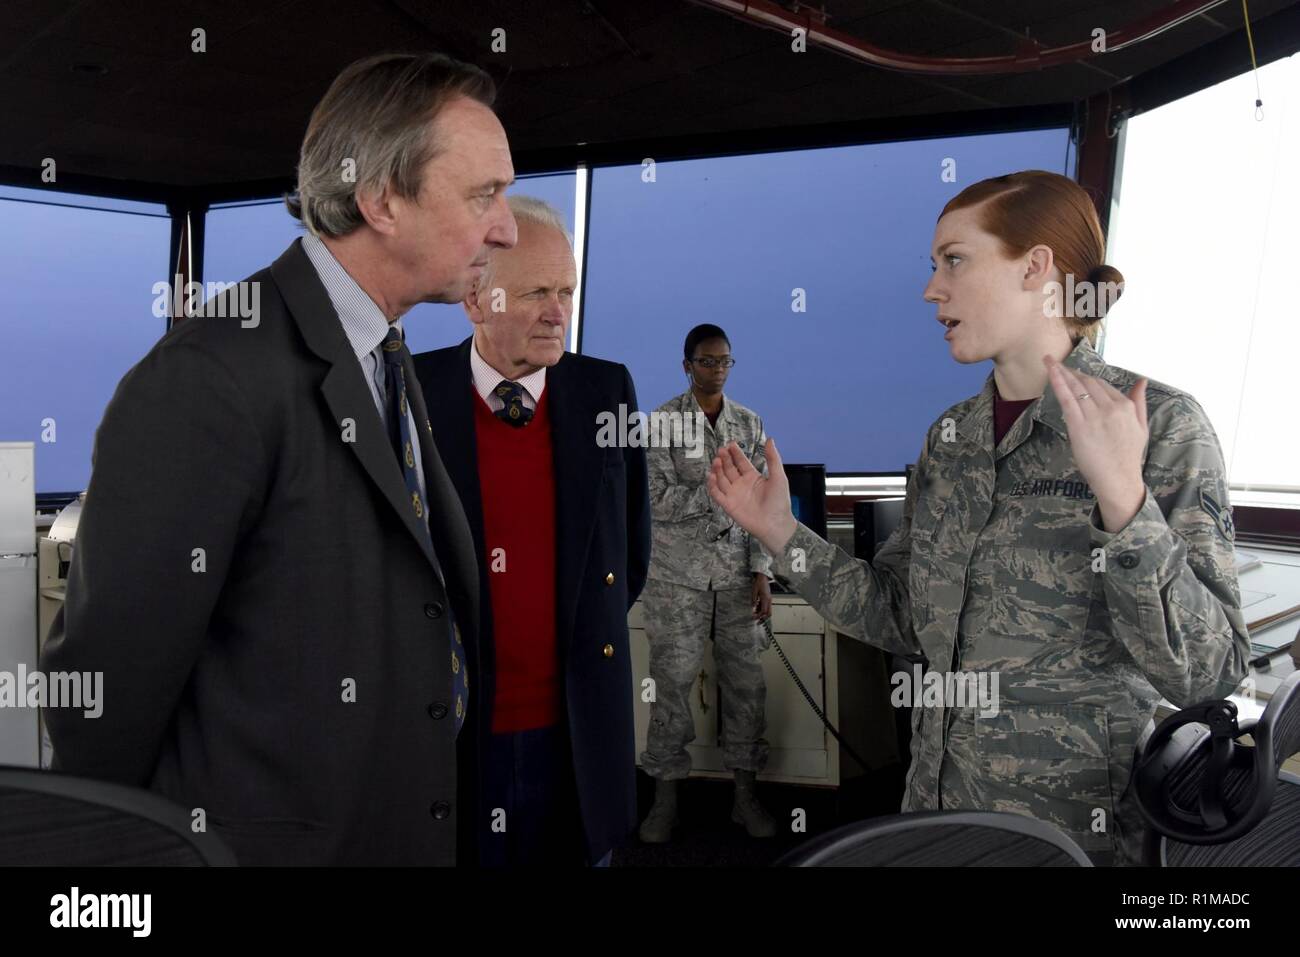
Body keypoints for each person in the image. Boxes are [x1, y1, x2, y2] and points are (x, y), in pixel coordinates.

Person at [40, 52, 518, 865]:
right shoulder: (210, 377)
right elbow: (103, 700)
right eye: (485, 195)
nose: (507, 228)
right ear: (380, 199)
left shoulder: (383, 355)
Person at [706, 171, 1249, 865]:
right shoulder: (952, 438)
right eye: (933, 266)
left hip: (1071, 841)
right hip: (940, 819)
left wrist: (1123, 500)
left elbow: (1209, 674)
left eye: (954, 260)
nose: (932, 288)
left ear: (1036, 266)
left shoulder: (1162, 426)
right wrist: (782, 533)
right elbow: (901, 615)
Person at [412, 195, 651, 867]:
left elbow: (629, 554)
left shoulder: (608, 391)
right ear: (474, 299)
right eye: (535, 293)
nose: (557, 312)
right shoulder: (410, 391)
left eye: (566, 291)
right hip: (458, 735)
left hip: (576, 737)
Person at [638, 324, 777, 843]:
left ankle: (745, 797)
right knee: (671, 688)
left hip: (739, 578)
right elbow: (655, 500)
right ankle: (664, 801)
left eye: (724, 362)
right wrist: (720, 495)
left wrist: (762, 571)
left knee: (747, 687)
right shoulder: (661, 424)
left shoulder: (748, 422)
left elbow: (761, 507)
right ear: (687, 365)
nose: (716, 370)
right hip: (677, 580)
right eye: (706, 361)